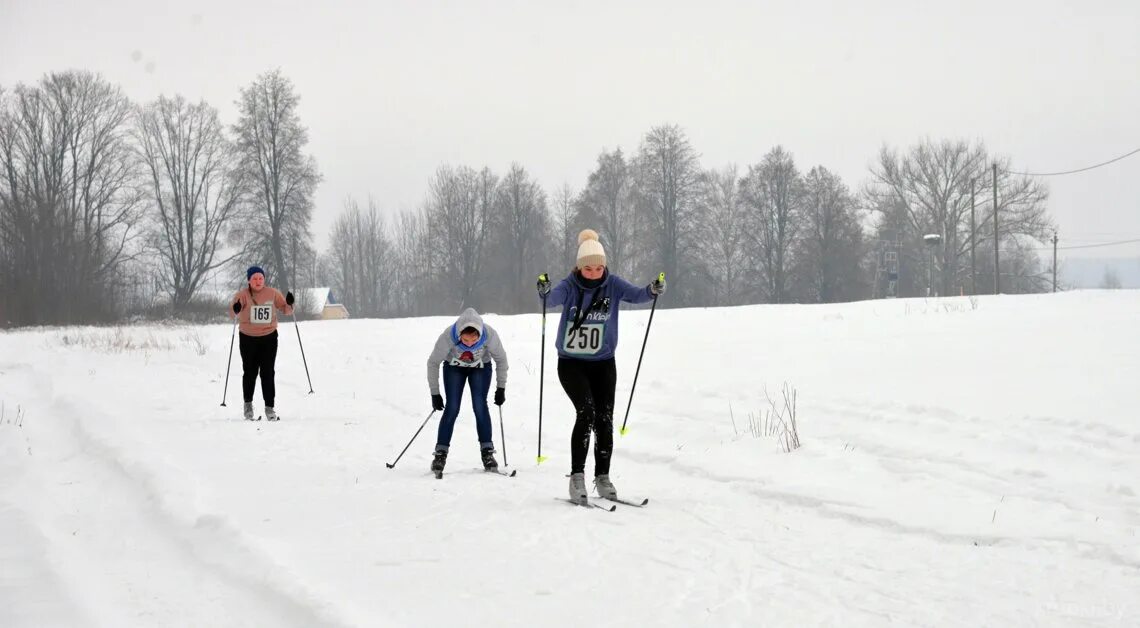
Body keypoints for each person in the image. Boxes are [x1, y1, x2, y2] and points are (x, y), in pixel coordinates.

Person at [537, 229, 665, 504]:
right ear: (579, 267)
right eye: (588, 268)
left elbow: (638, 294)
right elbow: (552, 297)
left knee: (604, 419)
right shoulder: (570, 285)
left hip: (604, 363)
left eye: (599, 267)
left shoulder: (614, 284)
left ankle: (603, 477)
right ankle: (577, 478)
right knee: (586, 412)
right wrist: (544, 291)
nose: (594, 272)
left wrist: (653, 289)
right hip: (571, 364)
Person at [426, 307, 509, 476]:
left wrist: (501, 388)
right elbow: (433, 362)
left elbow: (501, 360)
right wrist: (435, 393)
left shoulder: (489, 335)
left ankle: (487, 452)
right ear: (459, 335)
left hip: (480, 367)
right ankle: (440, 454)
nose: (469, 345)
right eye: (465, 341)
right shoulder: (448, 336)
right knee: (452, 407)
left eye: (473, 341)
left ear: (479, 334)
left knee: (479, 405)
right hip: (454, 368)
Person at [229, 266, 294, 421]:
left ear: (264, 279)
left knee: (268, 372)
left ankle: (270, 408)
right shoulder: (242, 295)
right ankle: (248, 406)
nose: (258, 281)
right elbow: (232, 313)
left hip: (269, 337)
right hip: (248, 338)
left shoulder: (272, 293)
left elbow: (286, 310)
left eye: (260, 278)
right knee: (250, 372)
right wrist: (236, 309)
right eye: (254, 279)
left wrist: (290, 304)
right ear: (249, 280)